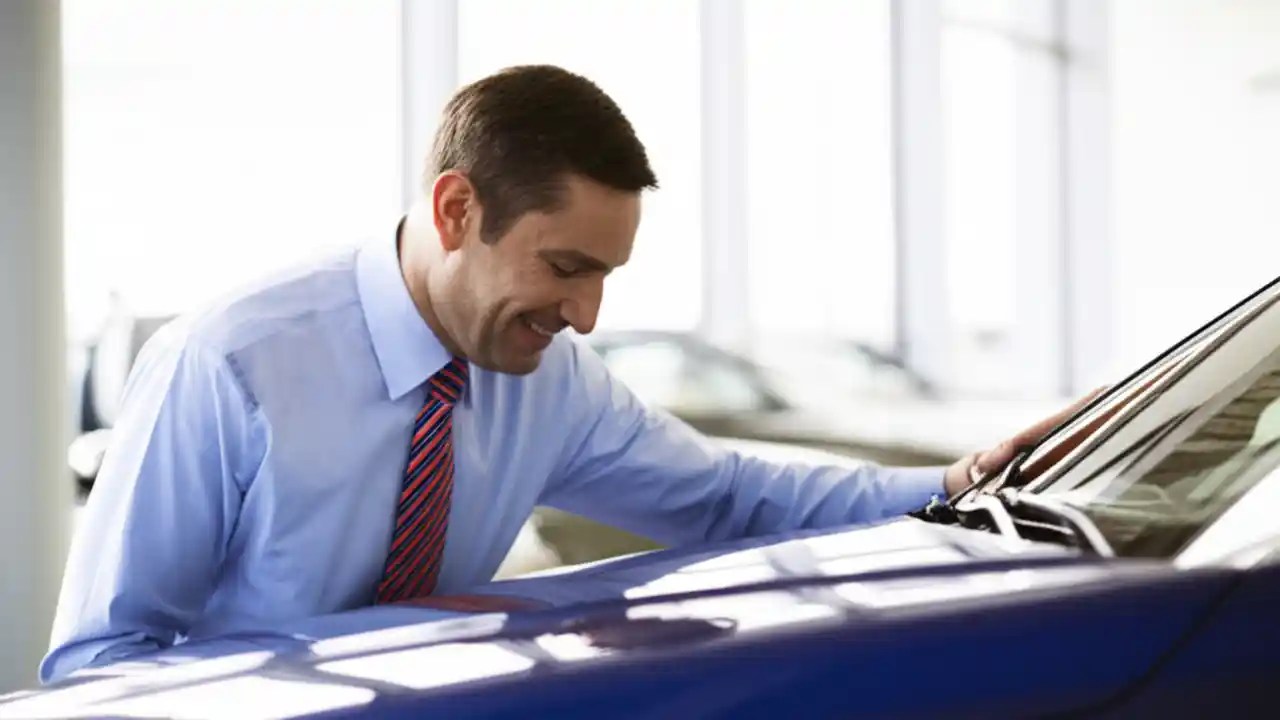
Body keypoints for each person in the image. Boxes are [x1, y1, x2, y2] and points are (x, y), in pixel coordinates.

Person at [41, 65, 1091, 683]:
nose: (585, 315)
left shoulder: (547, 376)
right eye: (565, 267)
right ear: (457, 211)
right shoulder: (230, 363)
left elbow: (727, 498)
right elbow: (99, 664)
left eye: (605, 275)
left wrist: (948, 488)